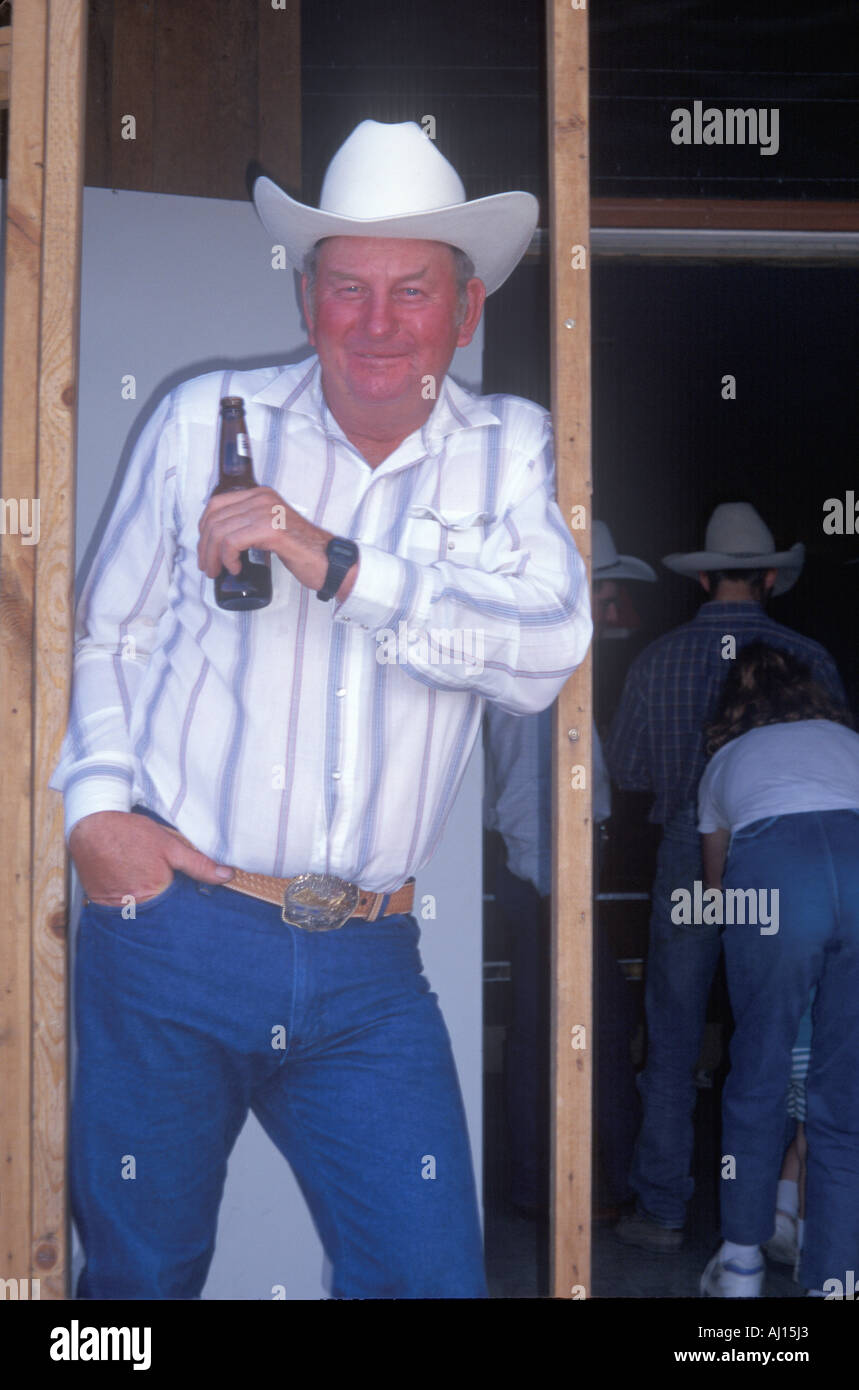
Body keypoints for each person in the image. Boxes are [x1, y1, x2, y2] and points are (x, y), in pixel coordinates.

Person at [50, 119, 592, 1299]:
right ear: (308, 302)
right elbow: (112, 630)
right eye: (347, 286)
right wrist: (96, 817)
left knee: (431, 1279)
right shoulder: (209, 420)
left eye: (412, 290)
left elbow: (545, 649)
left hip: (368, 963)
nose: (377, 321)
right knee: (137, 1285)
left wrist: (337, 562)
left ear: (468, 309)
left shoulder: (507, 453)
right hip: (179, 929)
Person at [607, 502, 845, 1251]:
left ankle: (662, 1210)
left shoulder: (655, 658)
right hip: (795, 858)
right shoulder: (809, 655)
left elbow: (628, 770)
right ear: (770, 576)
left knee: (673, 1034)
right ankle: (783, 1209)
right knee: (784, 1035)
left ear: (704, 576)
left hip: (689, 846)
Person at [483, 520, 655, 1215]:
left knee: (544, 1029)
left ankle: (546, 1186)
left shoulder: (546, 663)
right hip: (548, 879)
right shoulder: (541, 673)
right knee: (593, 1032)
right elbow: (527, 795)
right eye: (601, 583)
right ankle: (598, 1190)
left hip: (544, 877)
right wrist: (562, 894)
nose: (607, 598)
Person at [696, 643, 859, 1297]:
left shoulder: (724, 761)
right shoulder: (846, 740)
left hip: (775, 887)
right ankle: (836, 1278)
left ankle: (740, 1264)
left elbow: (715, 895)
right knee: (843, 1097)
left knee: (758, 1076)